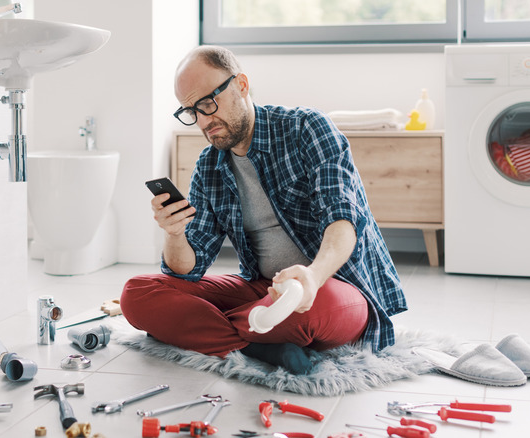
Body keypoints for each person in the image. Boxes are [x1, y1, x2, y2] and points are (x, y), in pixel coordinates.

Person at [120, 45, 407, 375]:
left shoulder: (307, 128)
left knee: (306, 313)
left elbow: (343, 218)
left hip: (331, 285)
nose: (202, 120)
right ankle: (256, 343)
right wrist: (174, 234)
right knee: (137, 293)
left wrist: (312, 276)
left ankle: (210, 330)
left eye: (207, 103)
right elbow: (188, 269)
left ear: (241, 85)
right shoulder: (209, 165)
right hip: (263, 289)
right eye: (190, 111)